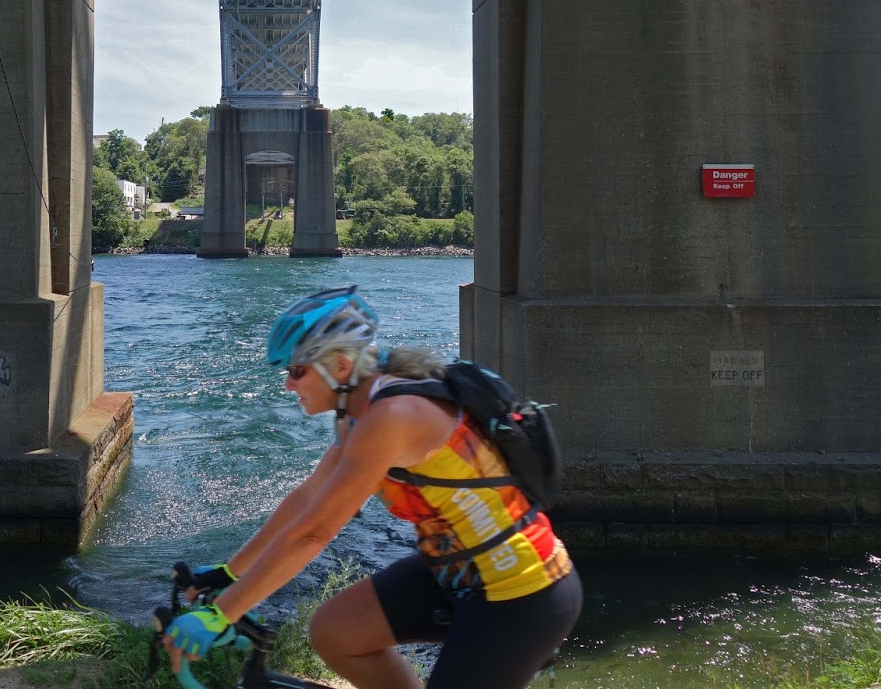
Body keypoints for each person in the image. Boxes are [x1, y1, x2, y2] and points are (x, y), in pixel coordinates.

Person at [165, 286, 582, 689]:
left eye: (296, 371)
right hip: (455, 572)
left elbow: (314, 533)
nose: (288, 385)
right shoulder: (357, 412)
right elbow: (308, 498)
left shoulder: (392, 416)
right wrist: (229, 573)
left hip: (521, 591)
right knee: (338, 632)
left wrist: (221, 614)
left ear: (340, 367)